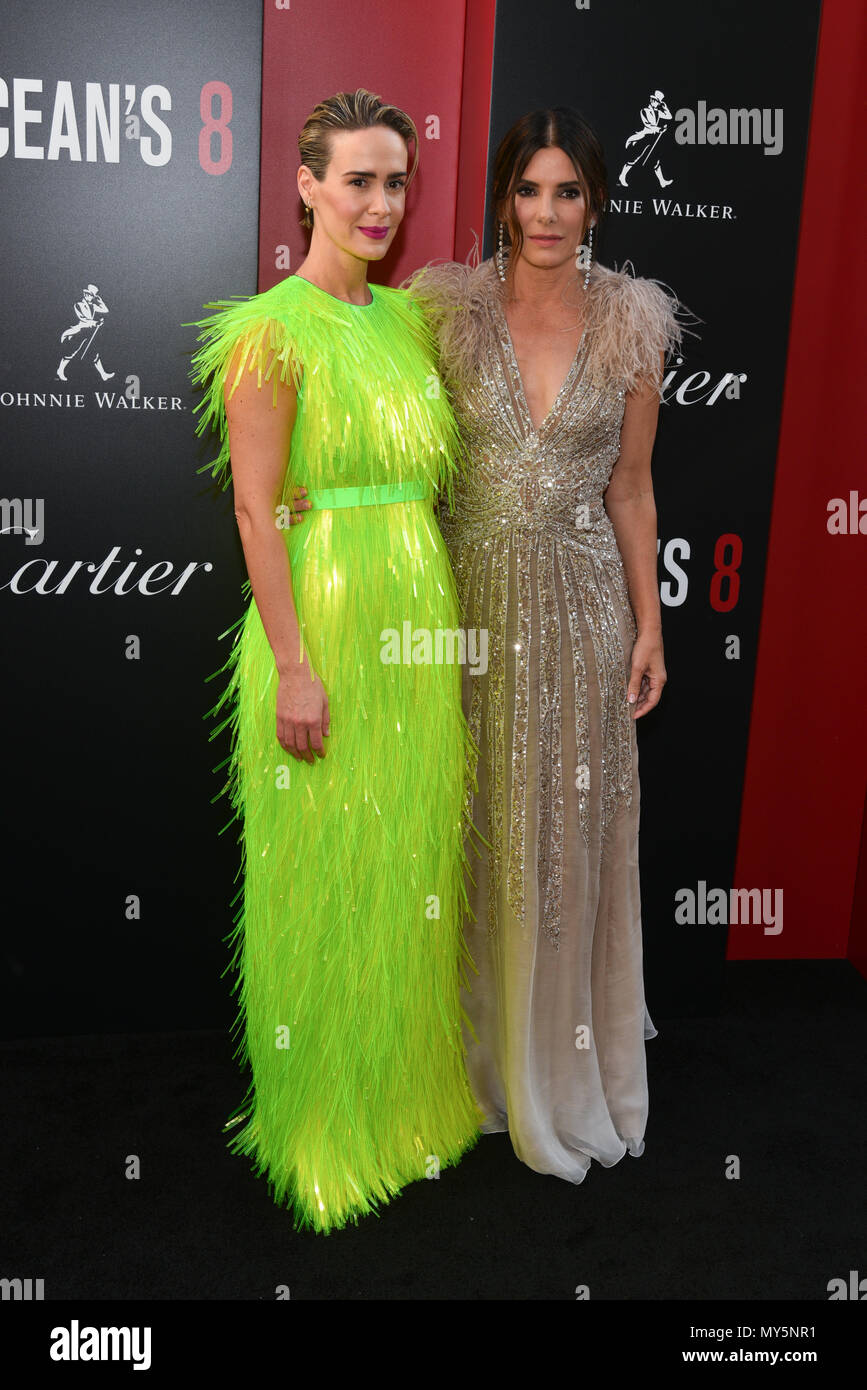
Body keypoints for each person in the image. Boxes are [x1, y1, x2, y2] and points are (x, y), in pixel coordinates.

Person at [189, 89, 482, 1234]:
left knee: (408, 870)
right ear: (305, 184)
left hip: (415, 617)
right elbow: (260, 514)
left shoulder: (407, 324)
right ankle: (323, 1125)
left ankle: (407, 1105)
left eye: (395, 181)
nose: (377, 202)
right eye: (355, 179)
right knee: (324, 880)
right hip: (322, 628)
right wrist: (295, 665)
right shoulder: (269, 330)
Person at [404, 108, 690, 1185]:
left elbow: (631, 488)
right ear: (503, 199)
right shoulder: (446, 314)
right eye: (530, 190)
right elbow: (412, 466)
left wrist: (652, 623)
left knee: (563, 841)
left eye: (568, 192)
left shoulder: (630, 323)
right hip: (463, 613)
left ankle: (561, 1078)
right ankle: (467, 1073)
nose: (547, 213)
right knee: (467, 833)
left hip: (579, 617)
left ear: (595, 203)